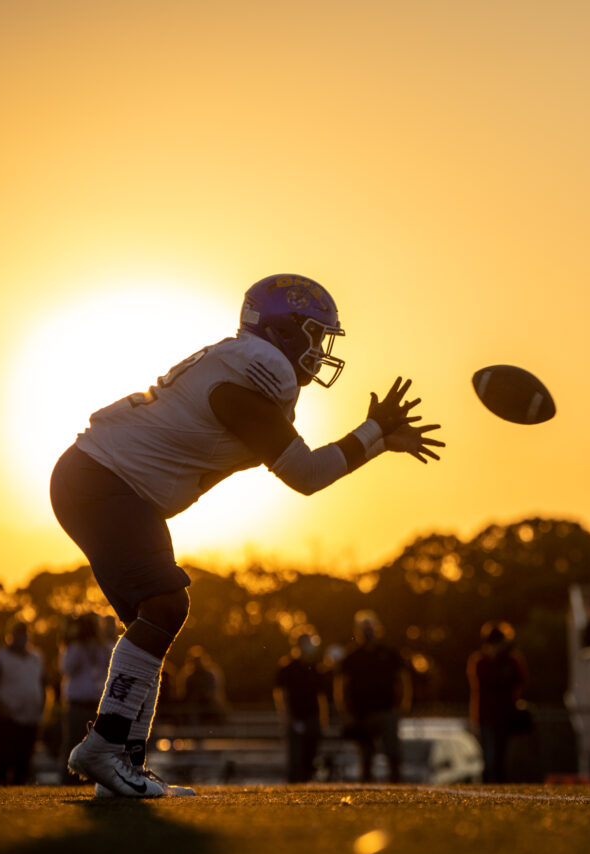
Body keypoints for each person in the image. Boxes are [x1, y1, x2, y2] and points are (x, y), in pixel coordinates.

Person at [50, 274, 443, 799]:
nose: (319, 349)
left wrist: (377, 440)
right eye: (313, 334)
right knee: (167, 608)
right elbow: (305, 474)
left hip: (106, 481)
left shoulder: (244, 364)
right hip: (108, 482)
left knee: (154, 624)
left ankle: (122, 767)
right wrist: (372, 433)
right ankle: (104, 746)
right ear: (282, 330)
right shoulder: (260, 371)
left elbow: (302, 466)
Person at [335, 611, 411, 782]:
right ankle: (367, 788)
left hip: (387, 710)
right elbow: (342, 686)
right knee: (366, 755)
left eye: (370, 628)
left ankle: (396, 787)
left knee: (393, 752)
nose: (367, 632)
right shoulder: (351, 656)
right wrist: (345, 711)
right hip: (362, 714)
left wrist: (403, 704)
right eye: (364, 629)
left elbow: (403, 680)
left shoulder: (390, 654)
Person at [0, 619, 46, 785]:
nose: (21, 637)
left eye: (24, 633)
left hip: (31, 717)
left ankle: (20, 795)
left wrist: (42, 708)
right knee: (4, 760)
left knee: (24, 761)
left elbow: (42, 684)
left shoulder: (36, 657)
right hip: (7, 718)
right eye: (18, 634)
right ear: (10, 635)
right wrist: (1, 708)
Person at [467, 621, 528, 783]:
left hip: (505, 715)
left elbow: (520, 682)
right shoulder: (480, 662)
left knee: (501, 757)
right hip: (486, 716)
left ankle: (500, 786)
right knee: (489, 758)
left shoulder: (511, 661)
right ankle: (487, 786)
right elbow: (484, 684)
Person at [58, 613, 111, 784]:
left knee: (98, 746)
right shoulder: (74, 647)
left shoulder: (104, 648)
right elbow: (66, 668)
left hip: (98, 705)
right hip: (77, 705)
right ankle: (69, 780)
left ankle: (95, 781)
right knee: (73, 744)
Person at [274, 625, 330, 783]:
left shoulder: (316, 668)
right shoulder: (287, 668)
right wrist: (287, 717)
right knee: (295, 758)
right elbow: (281, 695)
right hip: (295, 717)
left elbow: (321, 696)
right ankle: (294, 786)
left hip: (312, 718)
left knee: (310, 756)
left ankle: (307, 782)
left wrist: (322, 719)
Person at [179, 645, 227, 726]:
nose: (197, 664)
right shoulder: (189, 677)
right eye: (195, 662)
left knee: (220, 710)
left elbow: (213, 692)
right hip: (194, 705)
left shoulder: (210, 675)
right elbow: (185, 694)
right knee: (189, 710)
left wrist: (205, 696)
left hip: (208, 703)